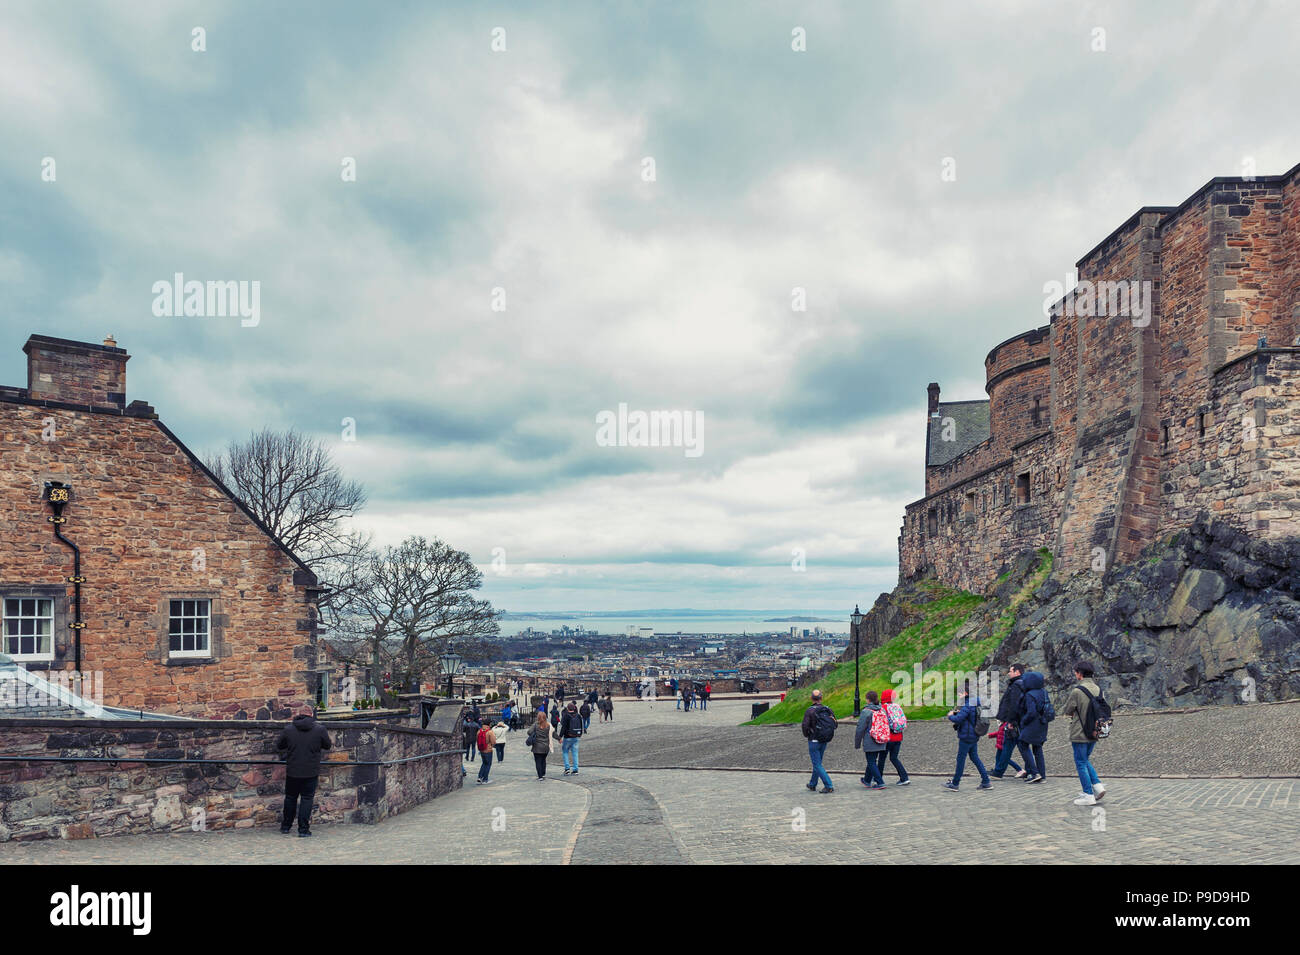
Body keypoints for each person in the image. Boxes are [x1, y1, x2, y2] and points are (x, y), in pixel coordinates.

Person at [276, 709, 333, 837]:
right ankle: (303, 830)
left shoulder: (289, 729)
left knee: (290, 798)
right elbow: (327, 745)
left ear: (298, 714)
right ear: (311, 715)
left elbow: (279, 745)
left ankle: (286, 826)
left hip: (293, 770)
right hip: (310, 770)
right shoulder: (320, 729)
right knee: (307, 799)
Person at [1062, 661, 1108, 806]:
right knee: (1085, 759)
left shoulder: (1077, 691)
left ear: (1080, 674)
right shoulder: (1098, 689)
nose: (1075, 674)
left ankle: (1088, 795)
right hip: (1095, 731)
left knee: (1081, 762)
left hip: (1080, 732)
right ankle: (1098, 786)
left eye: (1076, 672)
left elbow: (1068, 710)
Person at [943, 688, 991, 791]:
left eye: (960, 693)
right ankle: (986, 782)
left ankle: (955, 783)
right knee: (975, 758)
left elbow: (958, 719)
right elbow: (967, 716)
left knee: (961, 760)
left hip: (967, 736)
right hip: (974, 734)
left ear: (965, 693)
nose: (959, 695)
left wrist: (950, 716)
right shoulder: (975, 702)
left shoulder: (968, 704)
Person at [992, 663, 1027, 778]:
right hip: (1013, 721)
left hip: (1012, 722)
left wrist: (1010, 721)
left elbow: (1013, 705)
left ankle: (998, 772)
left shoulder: (1016, 685)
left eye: (1011, 671)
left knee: (1007, 747)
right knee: (1010, 747)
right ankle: (1031, 770)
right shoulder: (1018, 684)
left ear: (1017, 672)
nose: (1009, 673)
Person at [800, 689, 837, 793]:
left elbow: (805, 726)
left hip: (814, 740)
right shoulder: (828, 709)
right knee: (818, 763)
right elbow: (835, 724)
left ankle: (828, 785)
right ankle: (812, 784)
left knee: (817, 764)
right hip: (824, 739)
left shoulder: (810, 710)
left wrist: (807, 735)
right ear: (821, 698)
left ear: (811, 698)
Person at [1017, 671, 1050, 784]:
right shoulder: (1044, 692)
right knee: (1037, 748)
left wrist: (1023, 721)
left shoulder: (1030, 694)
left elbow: (1031, 712)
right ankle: (1042, 774)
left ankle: (1035, 773)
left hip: (1032, 725)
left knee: (1022, 744)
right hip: (1043, 724)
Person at [854, 690, 887, 789]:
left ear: (868, 700)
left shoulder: (866, 711)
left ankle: (880, 782)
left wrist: (857, 743)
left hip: (870, 739)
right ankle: (867, 780)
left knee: (871, 761)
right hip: (881, 738)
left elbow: (860, 728)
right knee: (872, 760)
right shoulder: (882, 710)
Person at [877, 688, 910, 785]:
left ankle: (879, 779)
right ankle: (904, 777)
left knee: (882, 759)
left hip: (888, 737)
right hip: (898, 736)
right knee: (894, 758)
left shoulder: (883, 708)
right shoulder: (897, 706)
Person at [559, 700, 583, 775]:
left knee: (565, 752)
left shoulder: (566, 716)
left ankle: (567, 768)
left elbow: (563, 727)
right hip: (576, 736)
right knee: (575, 753)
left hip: (567, 736)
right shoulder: (578, 715)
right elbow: (581, 726)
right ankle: (575, 769)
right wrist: (580, 734)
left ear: (568, 708)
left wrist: (560, 737)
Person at [528, 711, 551, 780]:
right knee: (543, 760)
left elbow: (529, 732)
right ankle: (543, 773)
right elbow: (552, 733)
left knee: (538, 761)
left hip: (537, 746)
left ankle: (540, 776)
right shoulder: (548, 725)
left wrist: (534, 733)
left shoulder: (535, 724)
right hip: (545, 746)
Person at [476, 719, 496, 784]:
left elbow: (477, 739)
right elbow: (493, 742)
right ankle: (485, 779)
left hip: (481, 750)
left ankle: (480, 777)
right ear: (489, 724)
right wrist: (491, 746)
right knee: (488, 764)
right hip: (488, 750)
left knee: (484, 763)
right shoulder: (490, 732)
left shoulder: (479, 731)